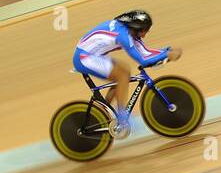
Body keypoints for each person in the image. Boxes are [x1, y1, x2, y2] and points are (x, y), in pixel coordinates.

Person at [72, 10, 182, 138]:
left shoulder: (129, 31)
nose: (145, 35)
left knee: (124, 70)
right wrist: (167, 55)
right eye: (144, 30)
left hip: (90, 55)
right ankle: (122, 117)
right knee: (122, 75)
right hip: (84, 58)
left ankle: (102, 112)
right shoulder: (123, 35)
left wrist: (165, 52)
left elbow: (145, 52)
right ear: (136, 28)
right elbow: (143, 60)